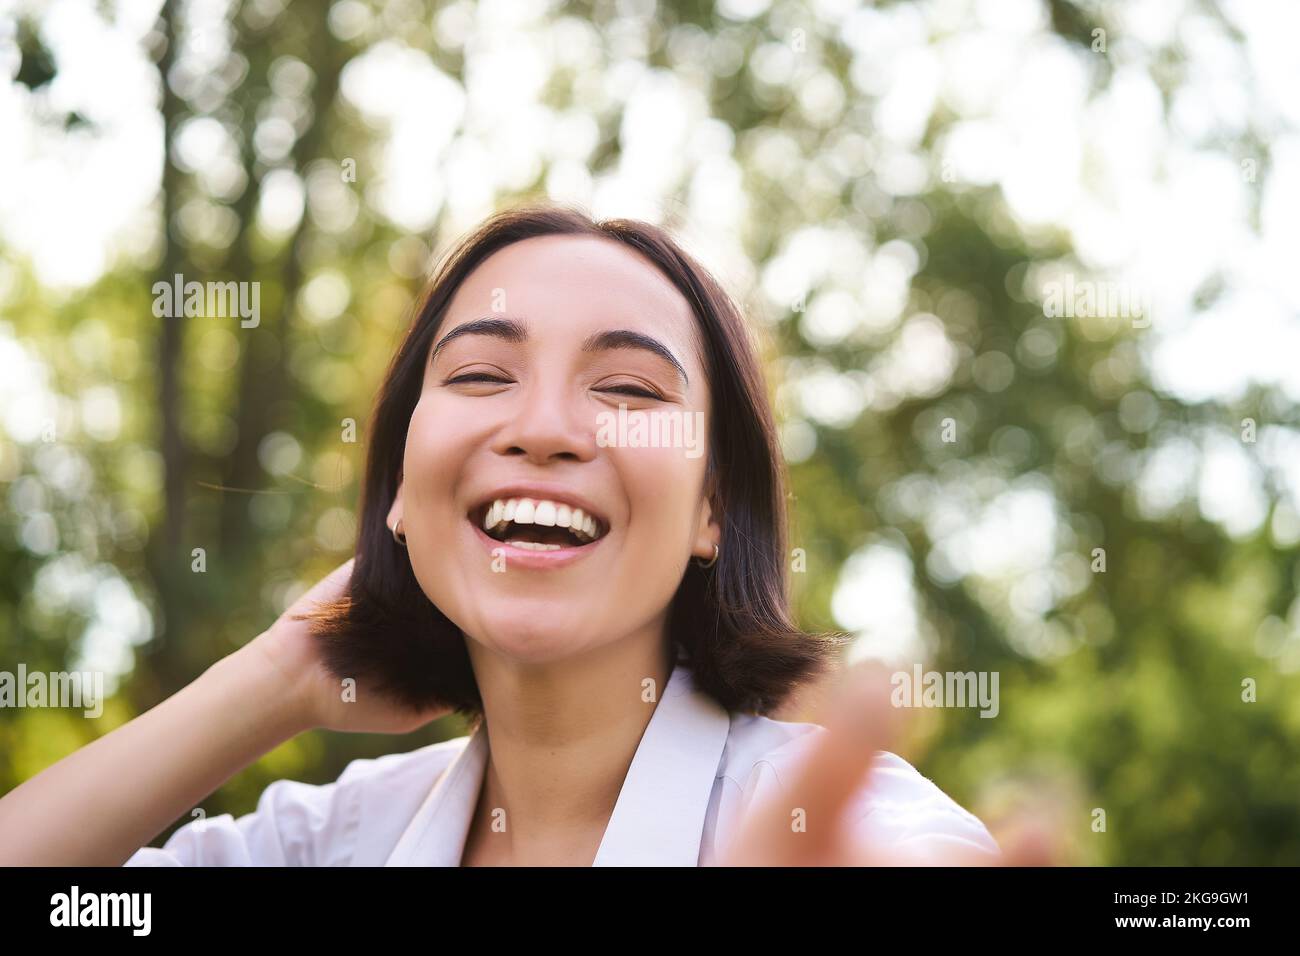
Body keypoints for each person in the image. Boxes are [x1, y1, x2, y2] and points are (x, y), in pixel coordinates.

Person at [0, 204, 1031, 867]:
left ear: (714, 506)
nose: (541, 427)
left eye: (626, 388)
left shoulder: (854, 829)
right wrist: (277, 672)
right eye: (482, 373)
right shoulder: (327, 841)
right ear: (400, 484)